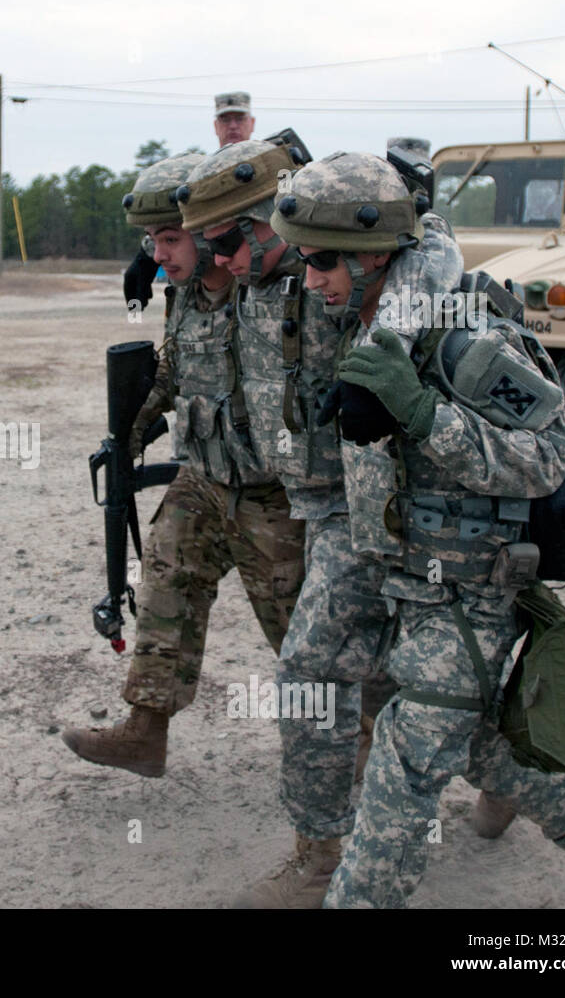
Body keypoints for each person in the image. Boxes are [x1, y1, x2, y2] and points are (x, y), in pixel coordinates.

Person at [273, 150, 565, 909]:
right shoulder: (363, 320)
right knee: (468, 739)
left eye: (325, 262)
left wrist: (426, 414)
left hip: (467, 592)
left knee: (403, 767)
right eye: (305, 261)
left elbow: (551, 459)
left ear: (377, 252)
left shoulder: (463, 337)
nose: (312, 280)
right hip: (390, 571)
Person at [175, 141, 402, 907]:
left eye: (231, 242)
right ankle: (325, 852)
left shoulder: (353, 273)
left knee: (355, 673)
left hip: (376, 512)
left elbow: (421, 245)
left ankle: (320, 857)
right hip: (312, 506)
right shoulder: (261, 282)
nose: (222, 260)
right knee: (363, 672)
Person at [62, 154, 305, 776]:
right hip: (202, 480)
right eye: (152, 242)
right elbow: (174, 369)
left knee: (305, 635)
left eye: (170, 239)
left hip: (274, 495)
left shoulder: (276, 282)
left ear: (208, 231)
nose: (159, 254)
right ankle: (145, 730)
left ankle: (376, 740)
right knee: (166, 586)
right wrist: (131, 428)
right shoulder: (188, 295)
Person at [122, 92, 258, 318]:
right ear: (215, 126)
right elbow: (180, 222)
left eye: (240, 119)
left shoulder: (270, 175)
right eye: (225, 120)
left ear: (252, 123)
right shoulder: (200, 177)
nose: (233, 126)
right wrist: (146, 254)